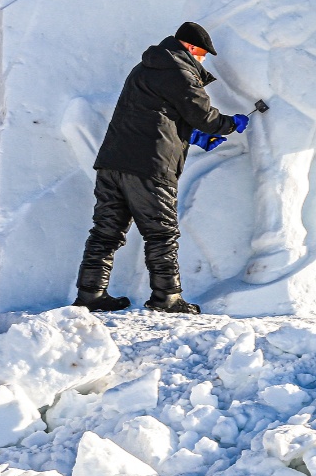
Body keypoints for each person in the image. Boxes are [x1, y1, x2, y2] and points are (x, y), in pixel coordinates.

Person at [74, 21, 245, 314]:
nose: (202, 61)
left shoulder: (146, 68)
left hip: (113, 163)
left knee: (106, 231)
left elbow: (156, 116)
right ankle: (167, 297)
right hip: (149, 167)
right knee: (162, 233)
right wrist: (229, 124)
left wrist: (192, 135)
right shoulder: (180, 71)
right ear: (192, 48)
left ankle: (90, 294)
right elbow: (203, 115)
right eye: (202, 55)